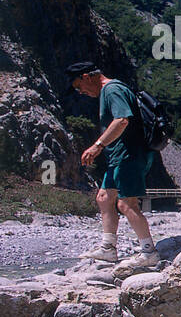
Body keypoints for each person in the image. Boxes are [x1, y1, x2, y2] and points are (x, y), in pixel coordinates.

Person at [65, 61, 159, 267]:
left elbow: (122, 120)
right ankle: (108, 248)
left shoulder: (112, 89)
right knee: (104, 198)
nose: (80, 92)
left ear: (87, 77)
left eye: (78, 86)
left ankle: (149, 252)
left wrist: (97, 145)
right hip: (118, 156)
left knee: (126, 204)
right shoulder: (110, 90)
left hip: (129, 155)